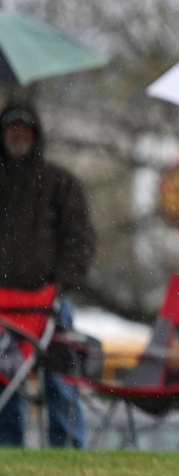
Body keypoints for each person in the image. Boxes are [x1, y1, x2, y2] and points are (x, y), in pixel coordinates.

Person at [0, 100, 95, 448]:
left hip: (49, 302)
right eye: (11, 127)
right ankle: (7, 449)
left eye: (24, 128)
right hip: (3, 305)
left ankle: (67, 448)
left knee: (60, 378)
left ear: (36, 134)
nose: (17, 134)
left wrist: (63, 283)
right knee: (4, 381)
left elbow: (80, 240)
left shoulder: (60, 183)